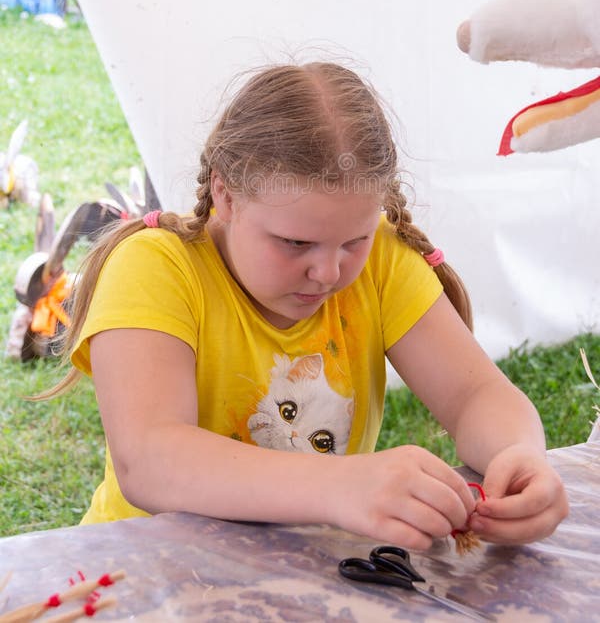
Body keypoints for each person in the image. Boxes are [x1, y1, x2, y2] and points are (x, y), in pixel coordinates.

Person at [45, 61, 568, 549]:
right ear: (225, 196)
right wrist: (341, 486)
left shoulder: (383, 259)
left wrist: (517, 454)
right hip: (147, 567)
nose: (328, 273)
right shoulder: (156, 266)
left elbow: (474, 394)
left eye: (353, 242)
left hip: (310, 567)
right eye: (295, 244)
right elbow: (151, 460)